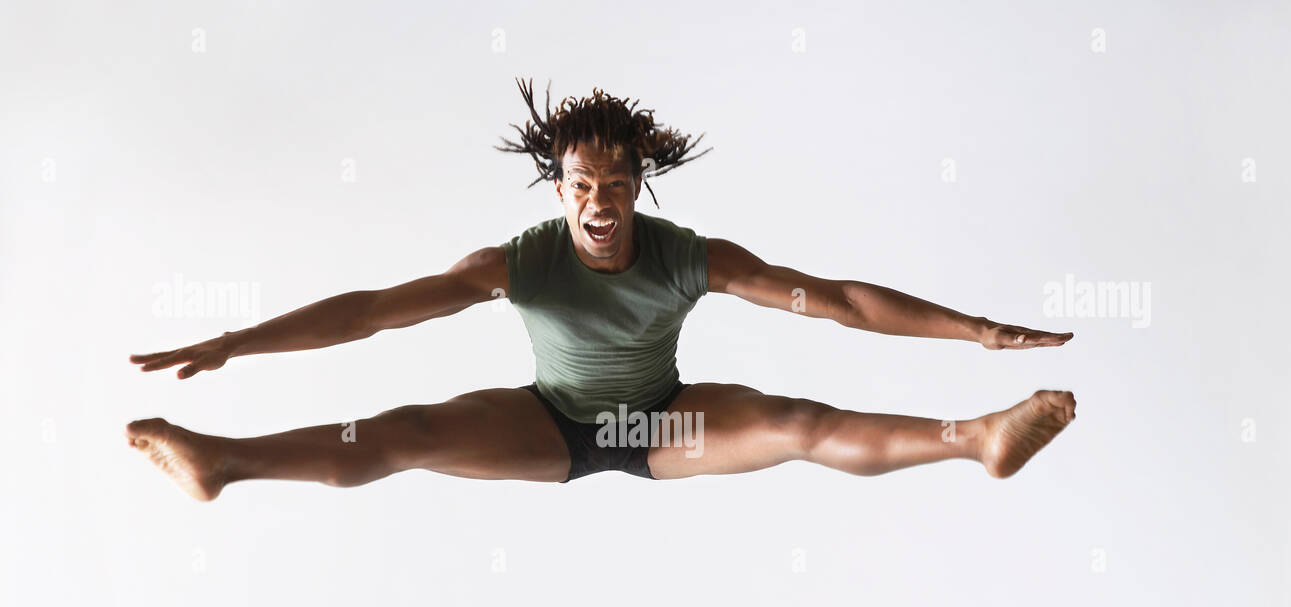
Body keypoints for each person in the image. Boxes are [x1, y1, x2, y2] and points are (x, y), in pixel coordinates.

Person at [127, 78, 1076, 501]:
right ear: (559, 191)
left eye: (614, 187)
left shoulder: (688, 255)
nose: (598, 206)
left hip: (659, 424)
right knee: (397, 437)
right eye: (581, 188)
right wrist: (233, 344)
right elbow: (373, 313)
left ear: (637, 189)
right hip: (549, 423)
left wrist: (979, 331)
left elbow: (836, 300)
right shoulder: (518, 262)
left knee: (796, 421)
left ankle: (978, 438)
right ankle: (221, 460)